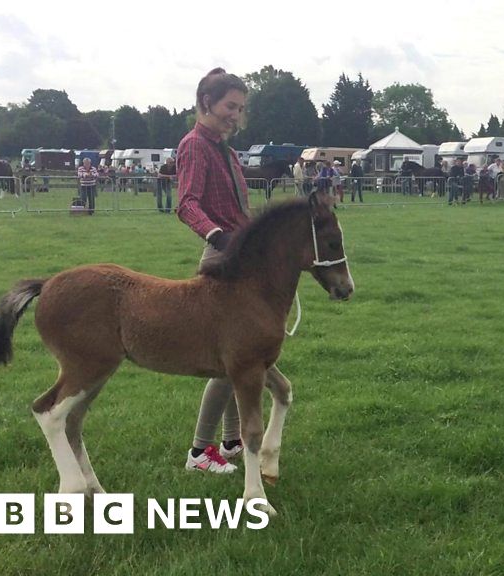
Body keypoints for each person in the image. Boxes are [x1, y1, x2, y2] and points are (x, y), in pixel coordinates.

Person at [176, 67, 293, 474]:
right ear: (206, 102)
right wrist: (217, 235)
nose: (236, 115)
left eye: (241, 108)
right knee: (235, 361)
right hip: (223, 262)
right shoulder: (194, 145)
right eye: (230, 106)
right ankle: (199, 453)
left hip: (245, 261)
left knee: (242, 362)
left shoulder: (224, 149)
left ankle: (230, 444)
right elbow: (186, 203)